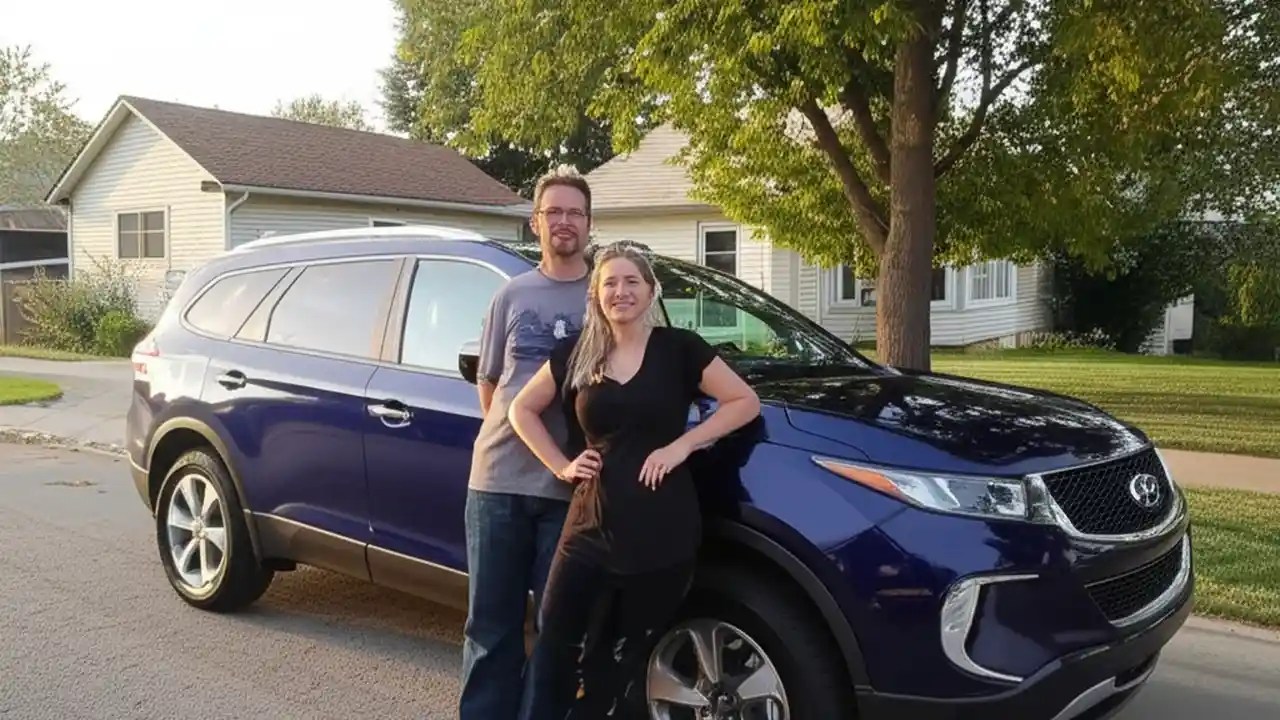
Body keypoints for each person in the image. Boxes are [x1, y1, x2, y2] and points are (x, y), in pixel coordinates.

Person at [508, 243, 762, 719]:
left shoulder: (680, 349)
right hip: (588, 527)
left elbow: (744, 402)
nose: (620, 292)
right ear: (595, 294)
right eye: (609, 283)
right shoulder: (577, 353)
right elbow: (520, 409)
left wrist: (683, 445)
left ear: (650, 292)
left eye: (631, 282)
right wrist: (560, 465)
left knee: (621, 656)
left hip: (660, 532)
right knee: (555, 635)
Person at [459, 166, 594, 720]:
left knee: (558, 628)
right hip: (495, 487)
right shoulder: (510, 295)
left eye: (575, 213)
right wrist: (517, 445)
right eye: (553, 212)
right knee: (490, 627)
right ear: (535, 222)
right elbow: (489, 384)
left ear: (589, 224)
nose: (564, 222)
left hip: (573, 492)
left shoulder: (612, 290)